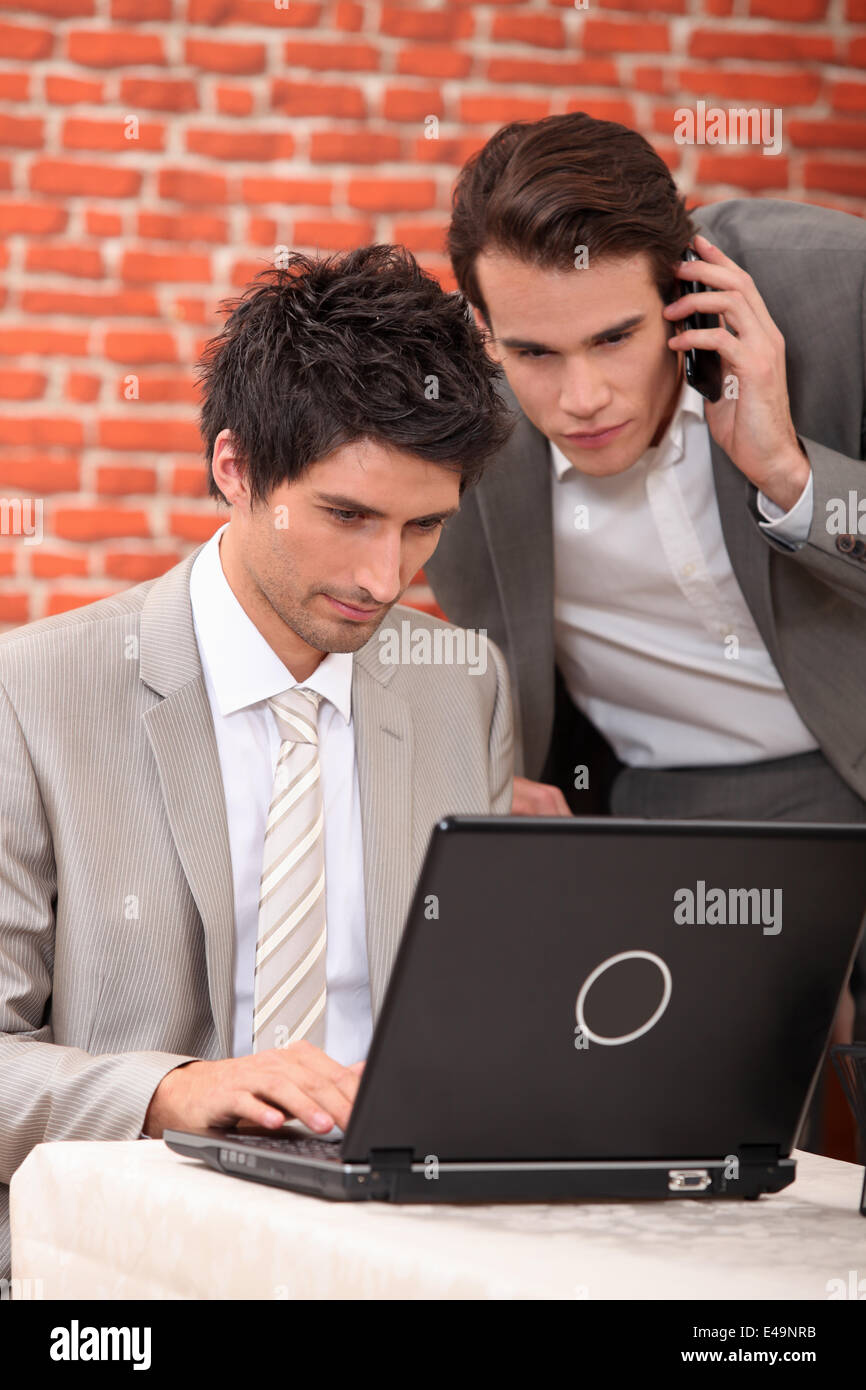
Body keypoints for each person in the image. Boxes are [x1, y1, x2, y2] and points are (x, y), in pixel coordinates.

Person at [0, 245, 515, 1281]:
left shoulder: (464, 683)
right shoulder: (32, 692)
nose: (385, 576)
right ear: (233, 468)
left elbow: (480, 1017)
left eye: (424, 526)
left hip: (415, 1250)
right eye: (347, 515)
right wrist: (170, 1088)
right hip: (141, 1253)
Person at [423, 113, 866, 1150]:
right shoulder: (445, 406)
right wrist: (473, 764)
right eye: (531, 352)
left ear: (679, 288)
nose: (579, 398)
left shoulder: (835, 291)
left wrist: (792, 475)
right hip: (672, 810)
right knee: (698, 1169)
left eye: (613, 338)